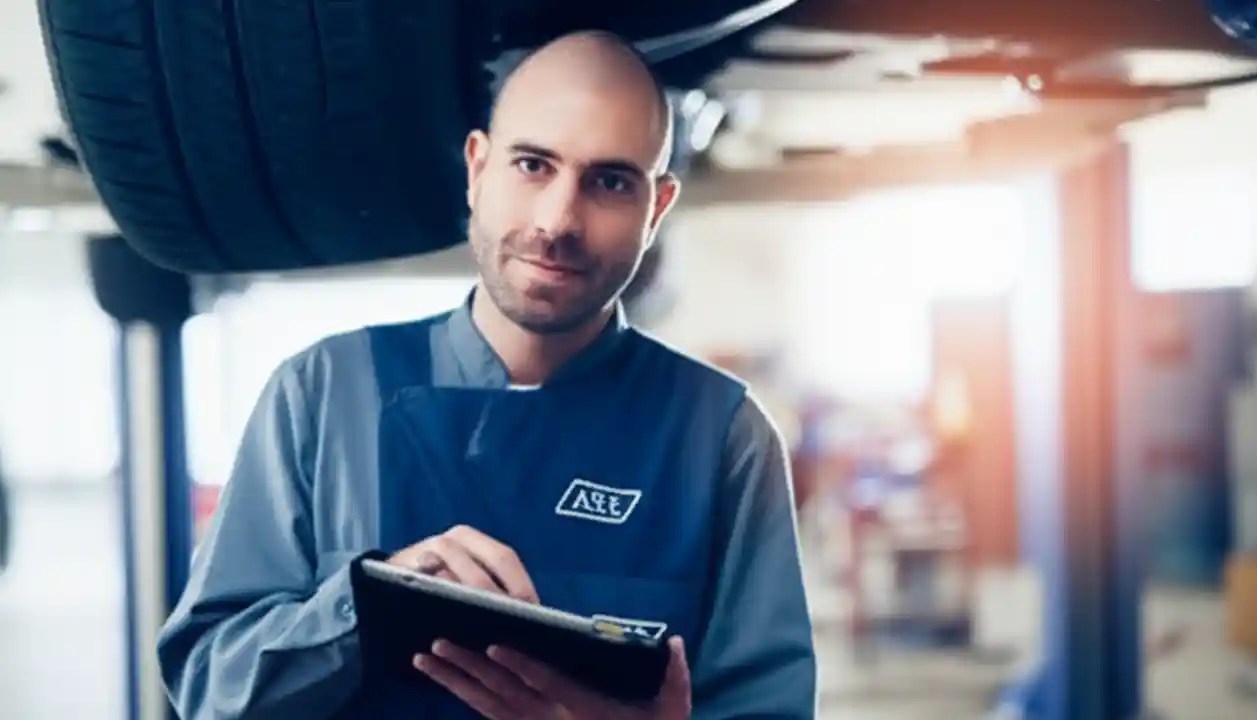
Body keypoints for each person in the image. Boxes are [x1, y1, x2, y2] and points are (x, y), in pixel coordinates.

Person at [157, 30, 816, 720]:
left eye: (611, 182)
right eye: (533, 165)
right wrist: (366, 602)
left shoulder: (721, 438)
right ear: (477, 170)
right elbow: (210, 684)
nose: (558, 221)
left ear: (656, 208)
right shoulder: (325, 393)